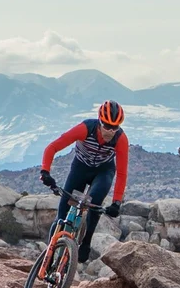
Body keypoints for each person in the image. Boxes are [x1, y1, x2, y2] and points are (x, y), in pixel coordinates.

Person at [38, 100, 128, 263]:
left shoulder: (120, 139)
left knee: (94, 202)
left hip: (103, 171)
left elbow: (121, 173)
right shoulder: (85, 129)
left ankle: (85, 242)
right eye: (106, 125)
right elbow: (52, 147)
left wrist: (116, 202)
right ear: (100, 121)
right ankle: (49, 256)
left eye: (114, 127)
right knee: (61, 216)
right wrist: (45, 171)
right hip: (80, 168)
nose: (110, 130)